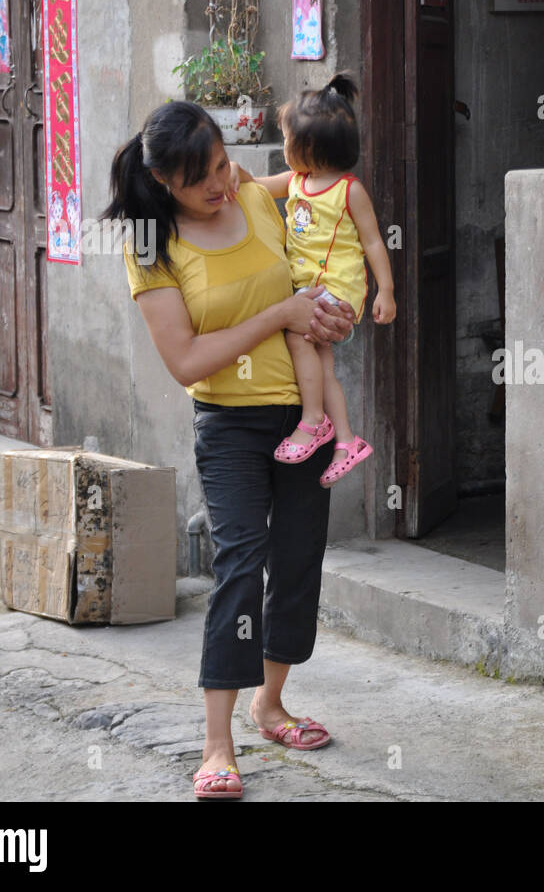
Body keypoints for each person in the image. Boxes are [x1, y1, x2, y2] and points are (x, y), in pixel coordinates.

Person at [104, 100, 357, 799]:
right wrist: (278, 314)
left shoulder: (253, 194)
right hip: (229, 424)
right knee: (240, 560)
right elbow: (186, 360)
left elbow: (306, 271)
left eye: (221, 164)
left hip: (303, 418)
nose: (221, 184)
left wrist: (330, 312)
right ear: (162, 183)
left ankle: (270, 703)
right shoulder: (151, 246)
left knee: (299, 556)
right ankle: (217, 743)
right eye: (202, 180)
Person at [235, 73, 395, 486]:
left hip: (336, 288)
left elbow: (374, 243)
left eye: (287, 141)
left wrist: (386, 291)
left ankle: (312, 420)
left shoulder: (348, 191)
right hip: (311, 289)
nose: (284, 149)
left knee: (297, 336)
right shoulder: (296, 182)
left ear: (309, 149)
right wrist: (236, 173)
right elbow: (256, 187)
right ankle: (346, 439)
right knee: (323, 365)